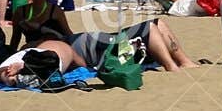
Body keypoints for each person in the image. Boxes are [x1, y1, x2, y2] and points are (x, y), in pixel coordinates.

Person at [66, 18, 199, 72]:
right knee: (149, 28)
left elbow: (67, 32)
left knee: (158, 23)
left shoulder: (55, 11)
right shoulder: (60, 46)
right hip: (100, 52)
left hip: (103, 41)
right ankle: (171, 66)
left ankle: (185, 62)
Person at [8, 0, 73, 50]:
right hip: (33, 49)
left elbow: (68, 34)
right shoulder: (20, 12)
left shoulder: (55, 11)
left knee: (26, 47)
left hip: (55, 47)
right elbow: (15, 39)